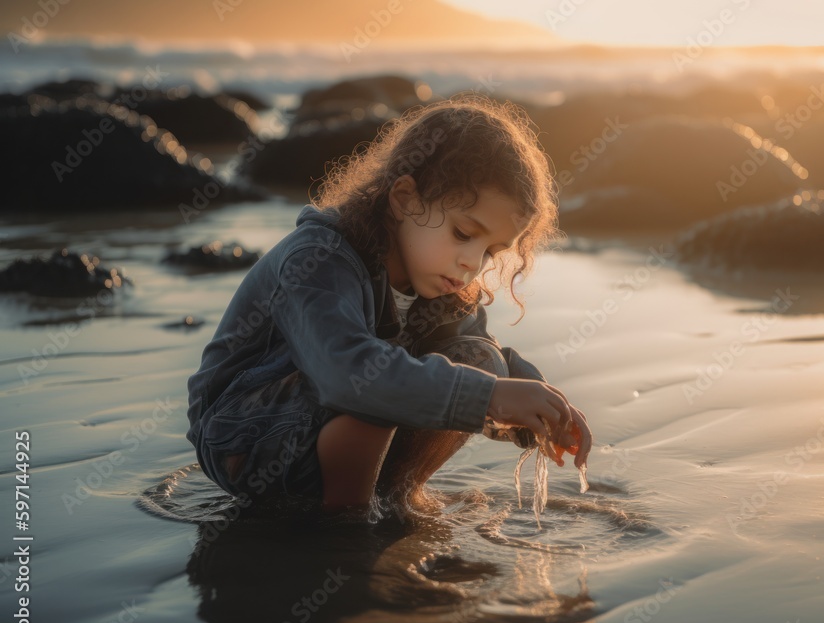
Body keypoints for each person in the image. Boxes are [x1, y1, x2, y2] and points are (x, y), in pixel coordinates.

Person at [185, 93, 593, 517]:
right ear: (403, 199)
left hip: (332, 421)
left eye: (491, 252)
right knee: (378, 381)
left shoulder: (439, 282)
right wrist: (491, 397)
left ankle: (397, 497)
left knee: (479, 358)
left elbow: (487, 358)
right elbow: (347, 375)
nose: (472, 263)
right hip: (238, 436)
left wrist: (546, 410)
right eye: (462, 233)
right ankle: (346, 523)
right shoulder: (319, 258)